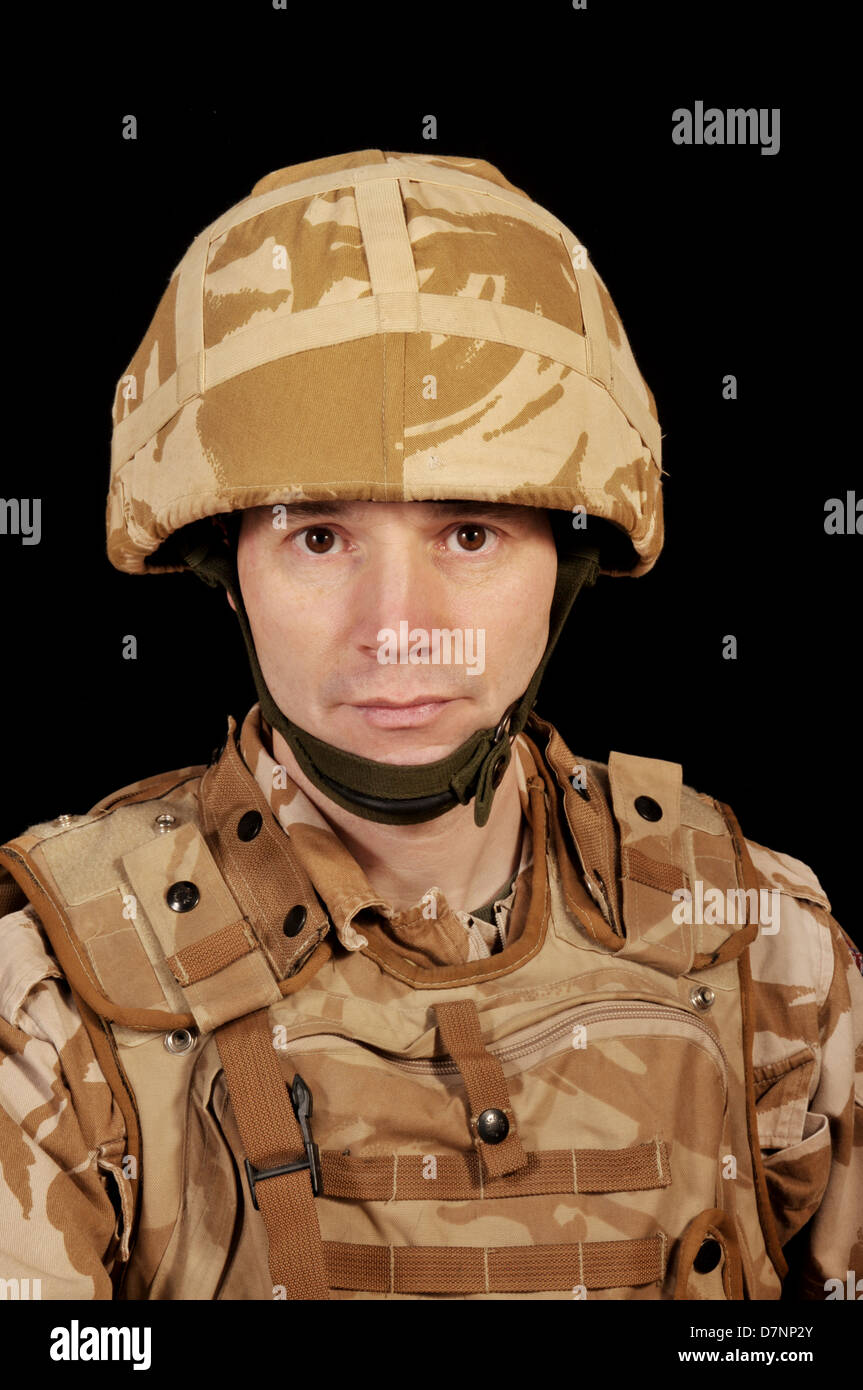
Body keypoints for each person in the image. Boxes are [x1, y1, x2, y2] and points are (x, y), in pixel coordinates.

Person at [0, 149, 860, 1302]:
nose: (396, 630)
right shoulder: (52, 999)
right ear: (224, 563)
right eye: (318, 538)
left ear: (570, 560)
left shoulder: (766, 953)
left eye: (469, 534)